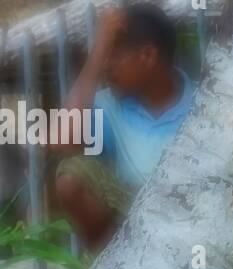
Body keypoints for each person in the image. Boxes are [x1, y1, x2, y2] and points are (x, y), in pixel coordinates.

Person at [53, 4, 195, 252]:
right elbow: (61, 142)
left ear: (148, 57)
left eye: (114, 56)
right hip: (133, 222)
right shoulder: (110, 105)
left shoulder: (203, 104)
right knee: (70, 175)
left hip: (192, 220)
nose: (106, 68)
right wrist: (98, 52)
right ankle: (113, 268)